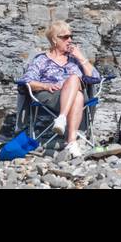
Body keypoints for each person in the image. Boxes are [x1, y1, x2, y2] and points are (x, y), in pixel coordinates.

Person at [20, 20, 99, 158]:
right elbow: (27, 81)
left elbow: (95, 78)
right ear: (54, 40)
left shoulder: (75, 59)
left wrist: (80, 57)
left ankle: (61, 119)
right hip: (50, 96)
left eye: (71, 36)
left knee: (75, 82)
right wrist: (45, 85)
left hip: (75, 94)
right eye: (65, 37)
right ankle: (71, 142)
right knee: (77, 94)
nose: (70, 40)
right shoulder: (41, 60)